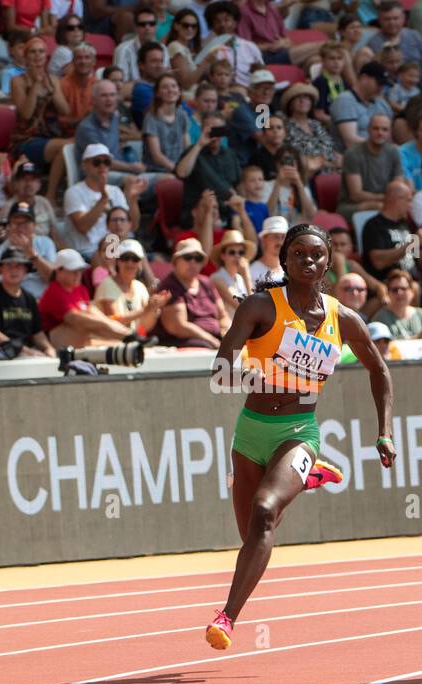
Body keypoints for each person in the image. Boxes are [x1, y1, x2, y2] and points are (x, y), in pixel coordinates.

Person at [204, 223, 394, 650]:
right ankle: (308, 477)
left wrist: (384, 432)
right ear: (284, 260)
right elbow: (219, 371)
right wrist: (259, 369)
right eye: (299, 254)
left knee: (266, 511)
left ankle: (226, 617)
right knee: (251, 534)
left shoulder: (341, 318)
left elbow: (379, 370)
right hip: (251, 432)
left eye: (317, 255)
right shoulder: (259, 308)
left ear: (328, 261)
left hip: (299, 431)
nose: (308, 261)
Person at [154, 237, 229, 348]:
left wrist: (227, 331)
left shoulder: (206, 282)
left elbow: (223, 315)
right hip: (184, 344)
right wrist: (210, 339)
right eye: (188, 257)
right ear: (176, 261)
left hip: (214, 339)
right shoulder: (169, 286)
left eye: (198, 258)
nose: (193, 262)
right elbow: (178, 326)